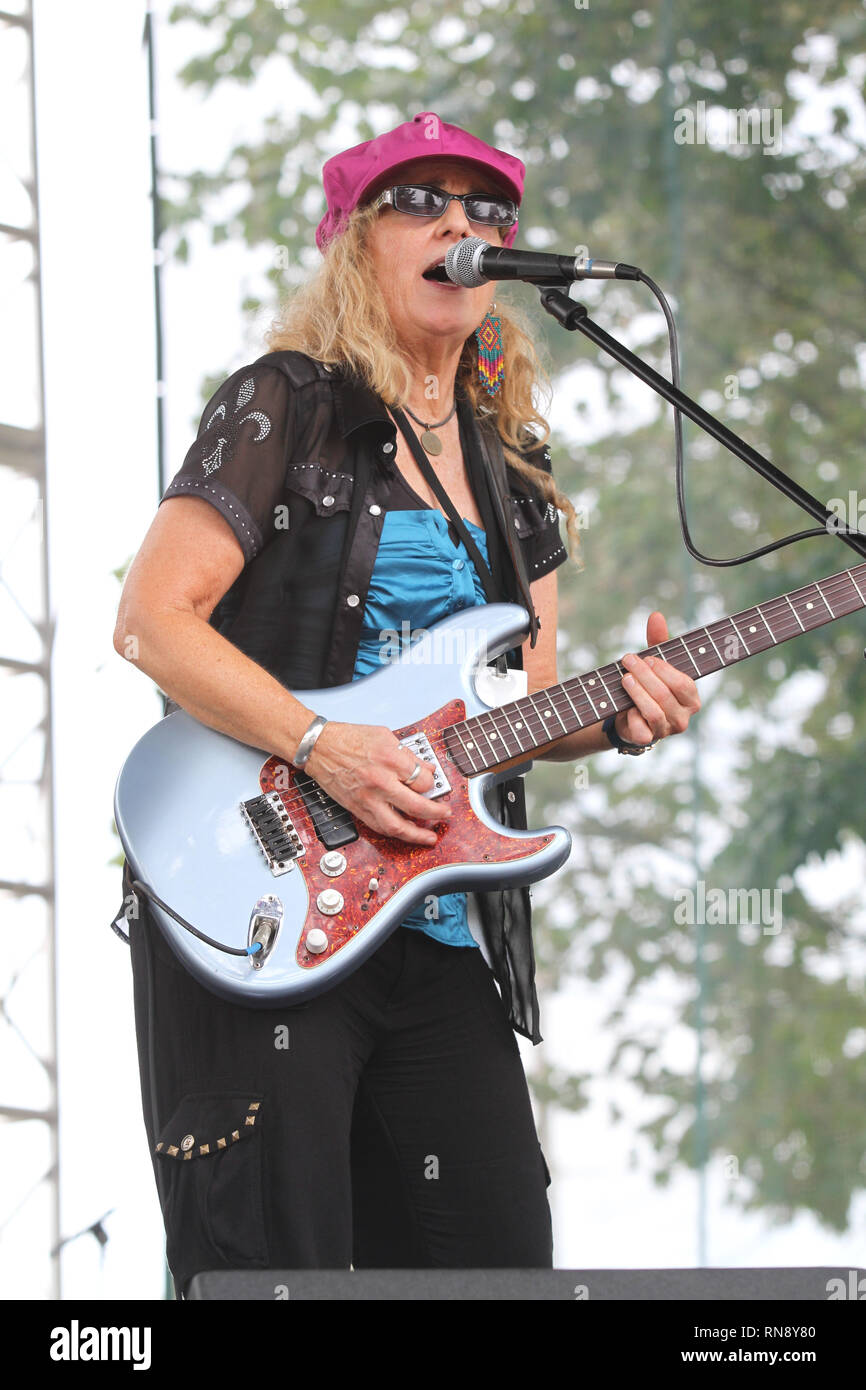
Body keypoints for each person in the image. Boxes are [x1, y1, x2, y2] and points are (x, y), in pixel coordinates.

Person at [113, 110, 700, 1295]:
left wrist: (621, 712)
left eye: (486, 211)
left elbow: (524, 706)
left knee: (492, 1259)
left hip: (431, 919)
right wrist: (323, 745)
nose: (461, 227)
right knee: (273, 1266)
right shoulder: (285, 403)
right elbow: (153, 622)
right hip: (260, 891)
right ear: (351, 240)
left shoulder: (509, 470)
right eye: (421, 202)